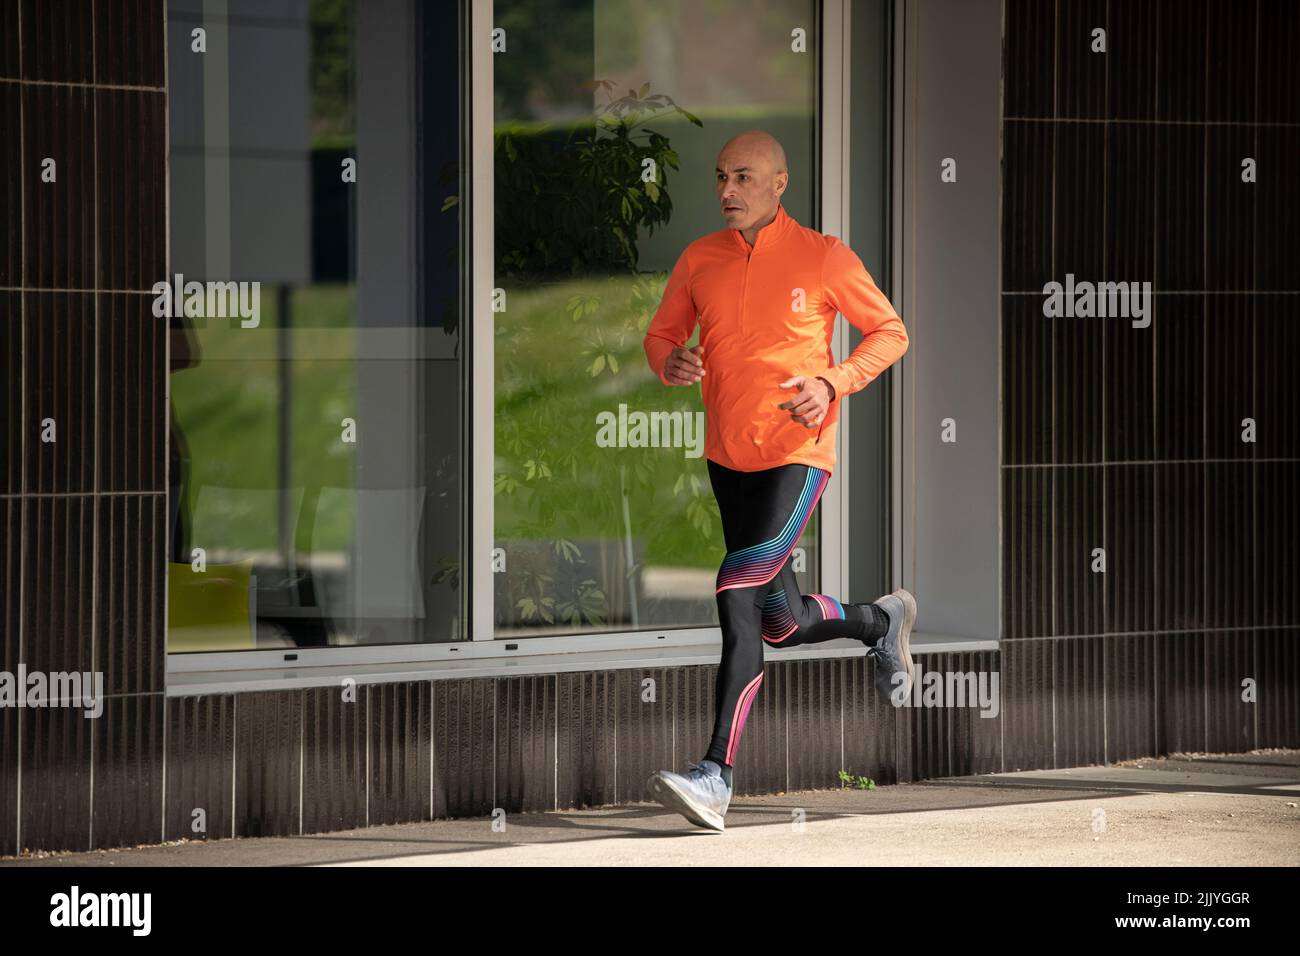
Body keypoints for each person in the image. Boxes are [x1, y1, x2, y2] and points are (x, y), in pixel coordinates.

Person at [642, 130, 915, 832]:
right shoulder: (700, 258)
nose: (727, 190)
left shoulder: (823, 256)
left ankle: (715, 775)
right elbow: (661, 336)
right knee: (780, 620)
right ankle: (880, 621)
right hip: (729, 457)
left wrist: (834, 379)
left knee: (736, 586)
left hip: (800, 453)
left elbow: (889, 331)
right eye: (720, 178)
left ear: (779, 183)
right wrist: (669, 362)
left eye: (743, 177)